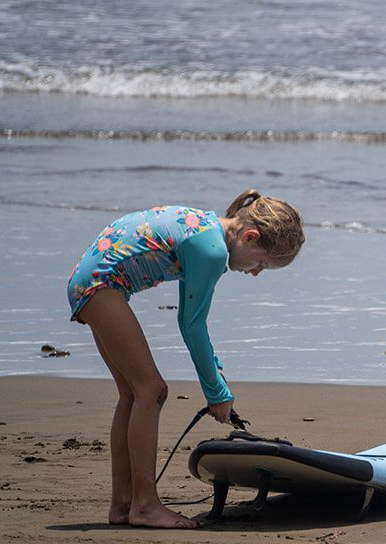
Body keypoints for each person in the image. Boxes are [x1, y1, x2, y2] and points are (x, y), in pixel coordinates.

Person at [67, 190, 304, 527]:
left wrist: (214, 373)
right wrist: (216, 394)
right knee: (152, 391)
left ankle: (123, 505)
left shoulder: (207, 229)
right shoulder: (212, 250)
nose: (255, 273)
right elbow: (192, 325)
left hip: (91, 282)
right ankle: (145, 505)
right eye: (262, 263)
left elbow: (190, 320)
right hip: (101, 285)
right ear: (250, 237)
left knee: (133, 394)